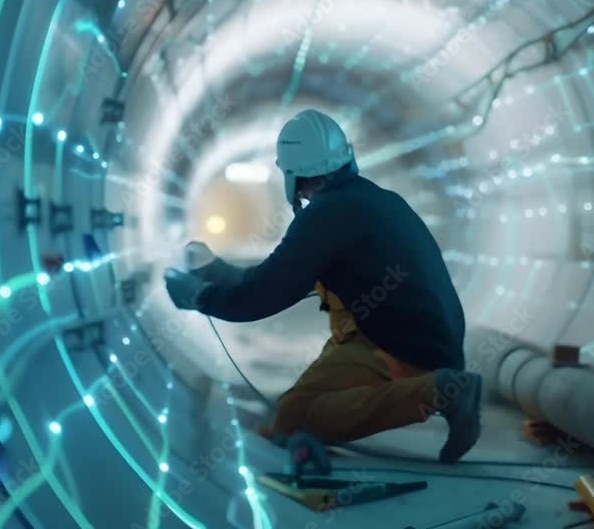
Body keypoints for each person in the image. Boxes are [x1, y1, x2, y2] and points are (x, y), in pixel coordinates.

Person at [164, 109, 481, 463]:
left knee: (294, 419)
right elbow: (284, 275)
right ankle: (443, 386)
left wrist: (199, 296)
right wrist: (216, 271)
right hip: (421, 338)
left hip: (399, 347)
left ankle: (440, 392)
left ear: (293, 174)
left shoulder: (325, 216)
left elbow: (262, 296)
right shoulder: (374, 199)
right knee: (292, 410)